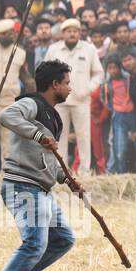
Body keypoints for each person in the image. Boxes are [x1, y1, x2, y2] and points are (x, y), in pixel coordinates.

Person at [0, 60, 77, 271]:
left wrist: (67, 179)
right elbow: (7, 115)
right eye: (67, 83)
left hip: (41, 189)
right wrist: (39, 136)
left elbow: (49, 160)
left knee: (63, 238)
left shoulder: (54, 117)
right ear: (54, 84)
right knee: (35, 243)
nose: (70, 89)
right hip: (22, 186)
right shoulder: (31, 103)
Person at [43, 19, 103, 174]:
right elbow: (45, 72)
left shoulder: (88, 49)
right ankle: (59, 171)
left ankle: (84, 170)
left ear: (80, 33)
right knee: (59, 137)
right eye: (69, 31)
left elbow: (98, 73)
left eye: (75, 31)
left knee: (83, 136)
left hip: (81, 100)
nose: (72, 33)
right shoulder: (54, 49)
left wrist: (88, 89)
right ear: (63, 33)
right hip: (59, 102)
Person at [0, 19, 35, 173]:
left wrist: (35, 95)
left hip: (10, 102)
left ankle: (6, 169)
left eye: (13, 33)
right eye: (8, 34)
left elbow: (26, 77)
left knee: (9, 140)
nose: (12, 36)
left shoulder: (20, 53)